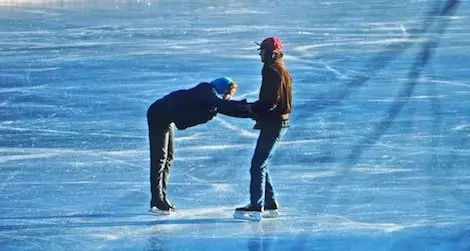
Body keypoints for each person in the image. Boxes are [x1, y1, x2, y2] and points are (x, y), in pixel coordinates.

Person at [147, 77, 251, 214]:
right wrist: (248, 107)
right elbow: (222, 105)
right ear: (223, 90)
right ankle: (157, 199)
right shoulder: (206, 90)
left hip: (166, 117)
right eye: (228, 94)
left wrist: (251, 111)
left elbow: (226, 108)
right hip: (158, 114)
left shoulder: (210, 99)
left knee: (168, 158)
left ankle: (161, 197)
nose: (228, 97)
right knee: (160, 158)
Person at [233, 36, 292, 221]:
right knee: (261, 163)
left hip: (275, 123)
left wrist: (253, 108)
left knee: (257, 164)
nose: (260, 53)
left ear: (272, 52)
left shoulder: (272, 70)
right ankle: (270, 203)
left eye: (263, 50)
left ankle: (256, 206)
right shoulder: (278, 68)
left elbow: (271, 102)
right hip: (275, 122)